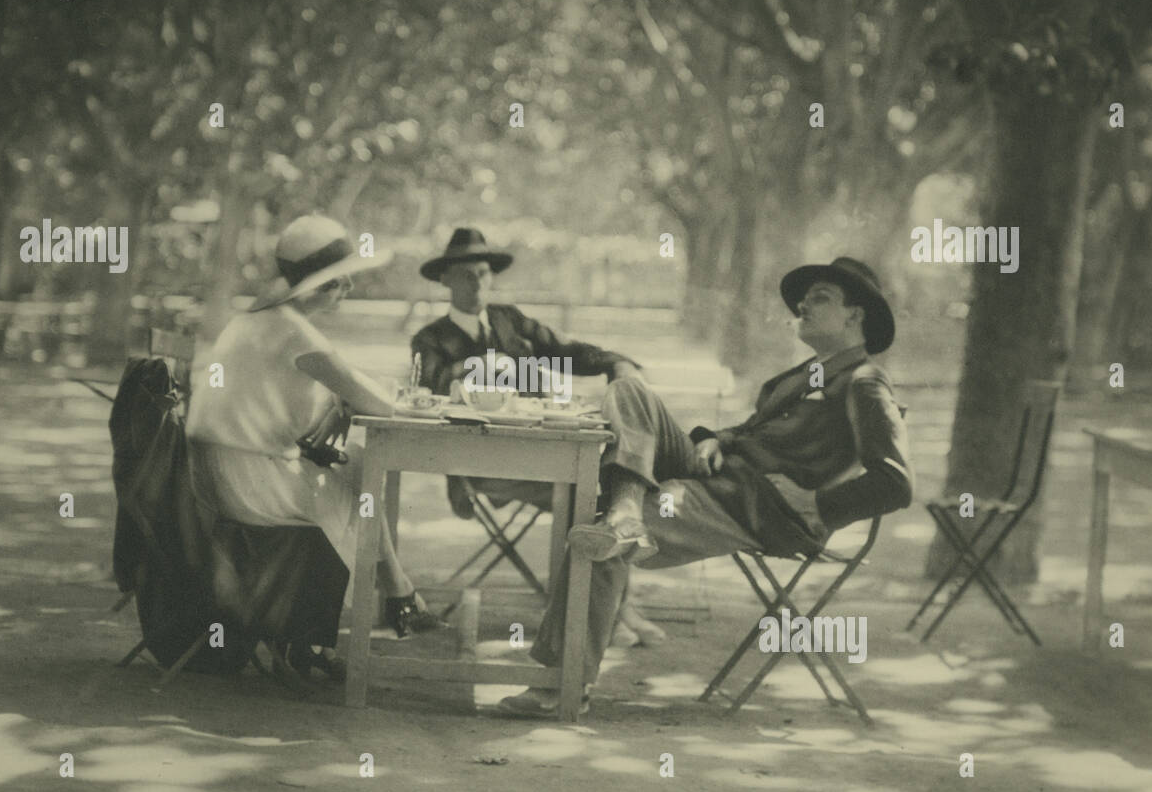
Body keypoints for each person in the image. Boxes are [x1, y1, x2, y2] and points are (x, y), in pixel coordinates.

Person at [496, 256, 914, 717]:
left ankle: (561, 685)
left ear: (855, 317)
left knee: (598, 539)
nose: (802, 304)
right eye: (806, 296)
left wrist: (818, 504)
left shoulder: (865, 382)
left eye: (820, 298)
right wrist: (720, 438)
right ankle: (627, 510)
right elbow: (758, 429)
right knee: (628, 389)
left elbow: (894, 483)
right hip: (724, 476)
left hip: (759, 506)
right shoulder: (808, 374)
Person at [185, 215, 438, 693]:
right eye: (338, 280)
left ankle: (392, 597)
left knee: (359, 466)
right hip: (243, 476)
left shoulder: (260, 319)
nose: (346, 288)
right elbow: (379, 402)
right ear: (316, 287)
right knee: (358, 484)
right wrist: (364, 396)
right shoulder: (293, 332)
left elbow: (332, 385)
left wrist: (347, 393)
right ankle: (387, 602)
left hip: (217, 468)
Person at [411, 226, 664, 644]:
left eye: (483, 273)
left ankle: (611, 608)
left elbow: (564, 349)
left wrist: (617, 363)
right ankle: (602, 614)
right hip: (476, 462)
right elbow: (433, 386)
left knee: (600, 489)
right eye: (466, 274)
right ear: (445, 280)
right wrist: (485, 368)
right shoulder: (430, 339)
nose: (477, 282)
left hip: (542, 454)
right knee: (585, 494)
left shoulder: (509, 320)